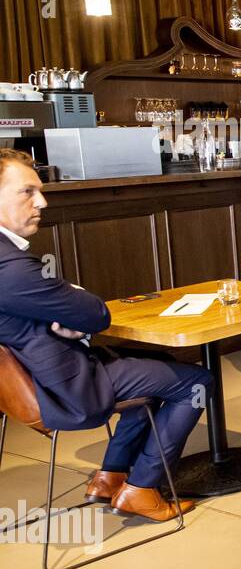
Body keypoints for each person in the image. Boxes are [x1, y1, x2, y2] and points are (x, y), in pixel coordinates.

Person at [0, 149, 209, 522]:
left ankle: (110, 477)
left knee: (159, 363)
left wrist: (68, 310)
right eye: (27, 192)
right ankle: (142, 488)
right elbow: (96, 313)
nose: (42, 201)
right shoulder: (11, 268)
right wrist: (73, 307)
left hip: (39, 377)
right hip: (65, 387)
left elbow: (75, 311)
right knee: (197, 381)